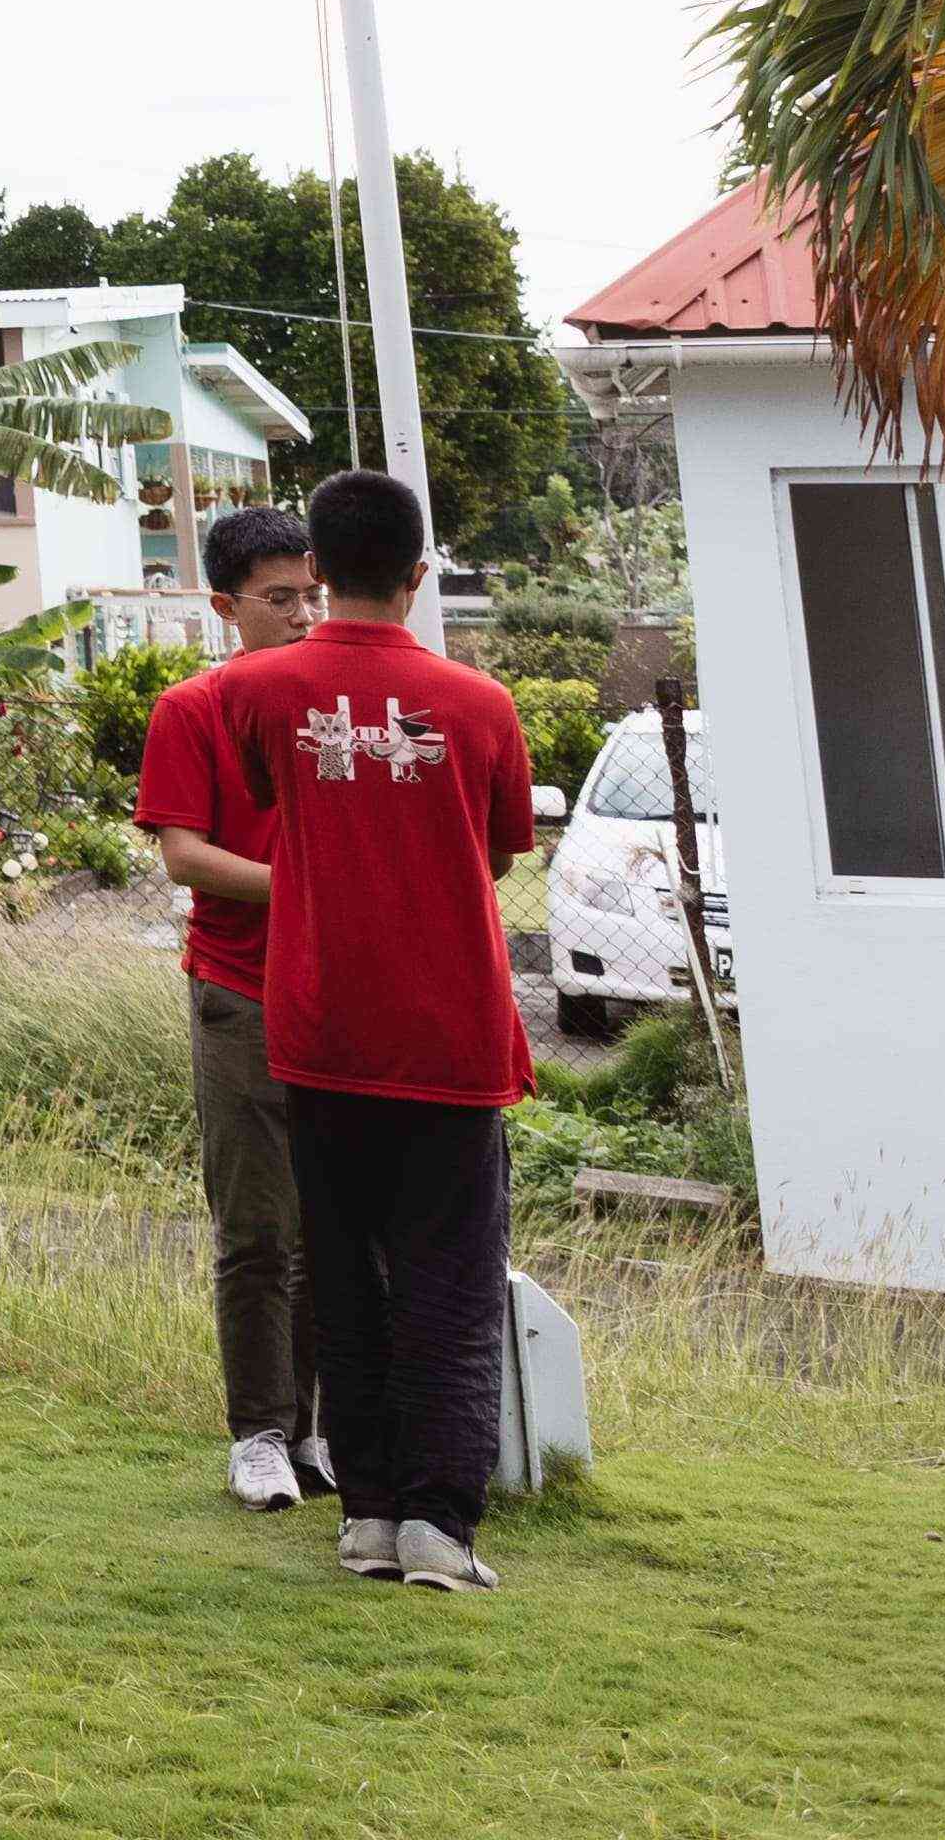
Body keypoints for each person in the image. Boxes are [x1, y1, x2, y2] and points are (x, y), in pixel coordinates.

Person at [196, 463, 538, 1594]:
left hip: (319, 1028)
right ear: (419, 574)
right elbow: (495, 853)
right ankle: (441, 1525)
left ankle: (371, 1519)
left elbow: (274, 795)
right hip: (451, 1038)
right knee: (450, 1285)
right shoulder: (483, 705)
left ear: (320, 570)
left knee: (343, 1281)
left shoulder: (257, 692)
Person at [133, 503, 335, 1509]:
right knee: (258, 1228)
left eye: (313, 595)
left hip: (345, 994)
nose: (302, 615)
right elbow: (184, 855)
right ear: (225, 606)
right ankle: (258, 1433)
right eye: (279, 598)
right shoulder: (194, 709)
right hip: (240, 991)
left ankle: (316, 1429)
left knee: (335, 1232)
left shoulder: (341, 702)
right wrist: (313, 887)